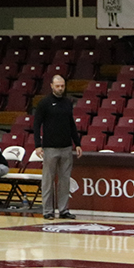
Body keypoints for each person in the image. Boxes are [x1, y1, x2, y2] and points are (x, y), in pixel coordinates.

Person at [33, 75, 82, 220]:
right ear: (52, 86)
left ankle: (63, 210)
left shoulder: (68, 102)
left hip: (66, 147)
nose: (60, 88)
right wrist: (37, 145)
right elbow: (36, 124)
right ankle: (47, 210)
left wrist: (77, 143)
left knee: (64, 180)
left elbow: (71, 123)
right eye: (58, 86)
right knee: (48, 180)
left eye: (62, 86)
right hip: (50, 147)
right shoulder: (44, 103)